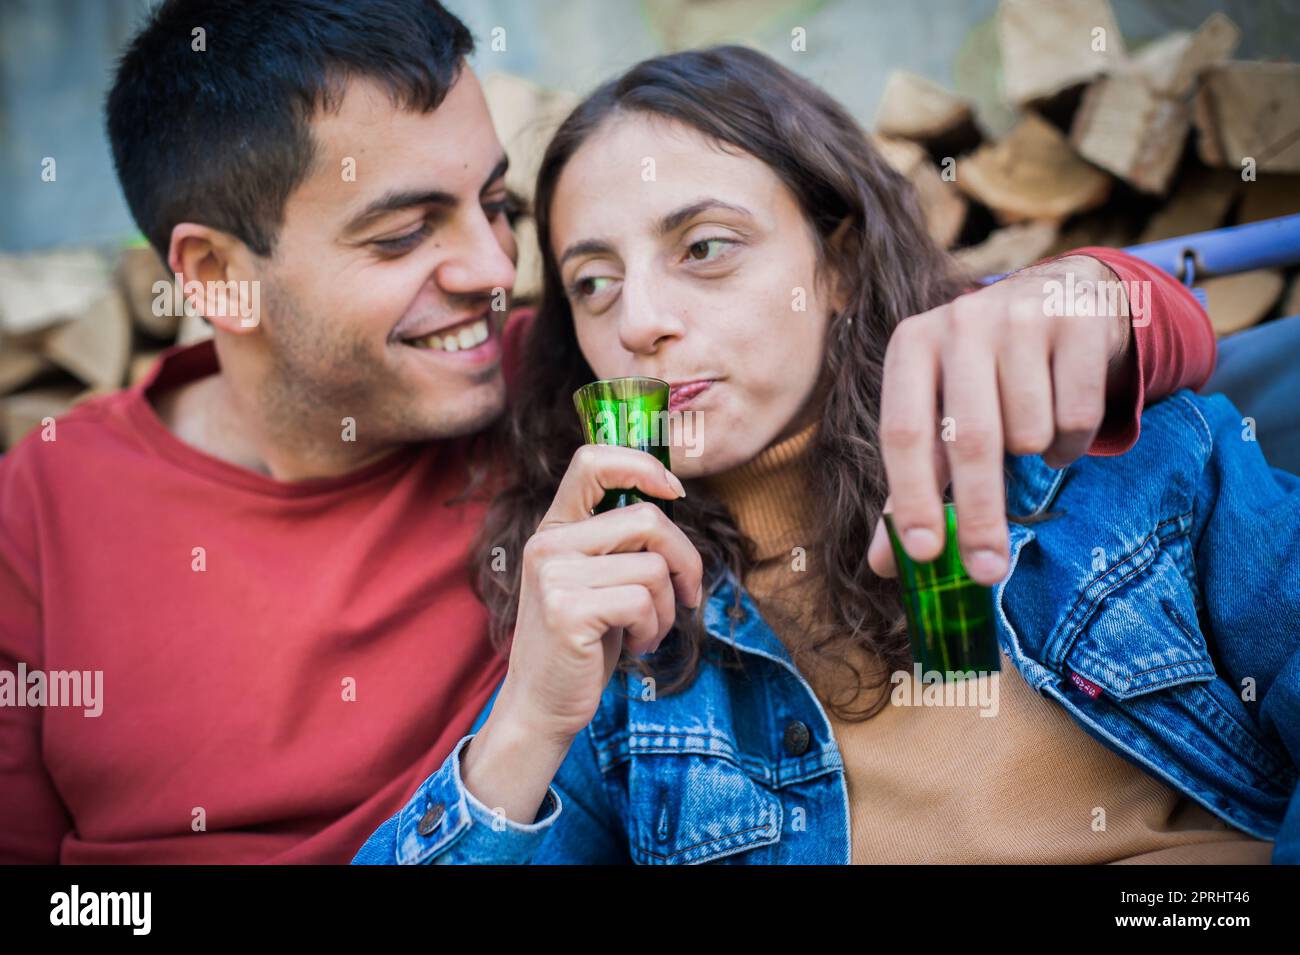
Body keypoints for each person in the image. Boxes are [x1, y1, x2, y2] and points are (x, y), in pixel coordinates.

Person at [0, 2, 1213, 864]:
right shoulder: (43, 503)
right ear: (216, 278)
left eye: (489, 205)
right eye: (399, 233)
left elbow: (927, 319)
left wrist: (1108, 296)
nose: (488, 273)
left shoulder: (574, 391)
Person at [353, 46, 1297, 865]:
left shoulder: (1103, 454)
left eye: (706, 247)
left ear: (838, 264)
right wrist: (526, 721)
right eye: (593, 283)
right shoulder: (625, 640)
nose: (639, 322)